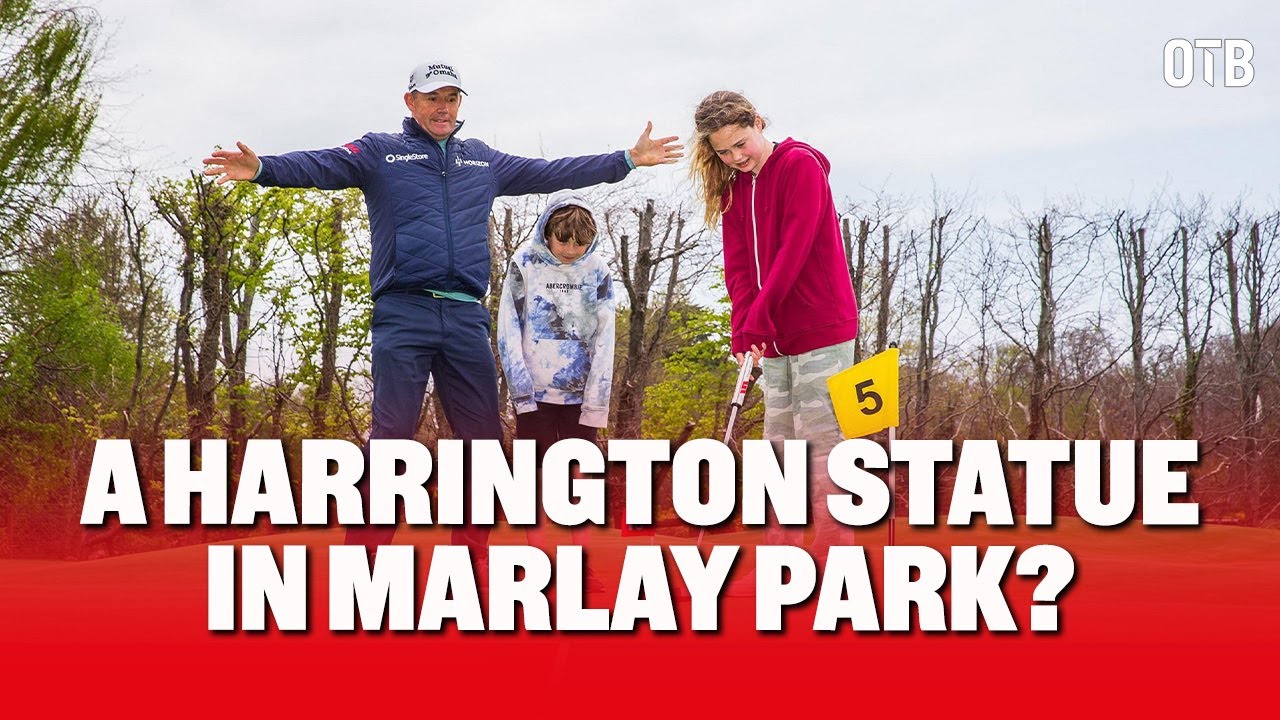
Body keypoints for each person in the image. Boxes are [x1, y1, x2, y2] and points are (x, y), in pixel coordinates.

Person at [202, 61, 682, 570]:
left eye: (452, 98)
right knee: (392, 438)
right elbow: (322, 165)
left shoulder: (483, 161)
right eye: (433, 98)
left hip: (465, 316)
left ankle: (471, 562)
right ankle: (363, 561)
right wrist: (263, 169)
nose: (444, 107)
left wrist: (626, 160)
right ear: (410, 101)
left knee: (484, 445)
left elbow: (552, 172)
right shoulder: (380, 151)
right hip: (403, 312)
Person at [689, 90, 859, 594]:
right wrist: (744, 326)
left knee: (824, 448)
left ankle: (833, 567)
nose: (736, 158)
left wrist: (761, 317)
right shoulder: (734, 189)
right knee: (778, 451)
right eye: (723, 152)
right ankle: (783, 564)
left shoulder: (800, 165)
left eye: (741, 144)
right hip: (772, 338)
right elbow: (739, 264)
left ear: (758, 123)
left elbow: (795, 250)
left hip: (820, 327)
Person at [496, 191, 613, 592]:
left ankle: (581, 566)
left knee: (578, 480)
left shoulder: (597, 270)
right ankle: (537, 561)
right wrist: (519, 387)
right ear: (547, 233)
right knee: (533, 478)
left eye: (579, 242)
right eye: (562, 240)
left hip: (581, 395)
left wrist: (598, 399)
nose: (570, 249)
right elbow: (507, 325)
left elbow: (606, 335)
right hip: (534, 393)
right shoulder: (525, 263)